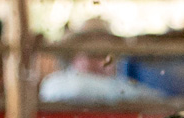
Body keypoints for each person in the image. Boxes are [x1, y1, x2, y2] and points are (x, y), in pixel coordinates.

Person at [38, 17, 168, 103]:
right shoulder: (57, 84)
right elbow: (80, 88)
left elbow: (156, 100)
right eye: (93, 55)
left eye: (108, 56)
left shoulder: (122, 86)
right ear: (73, 57)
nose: (102, 63)